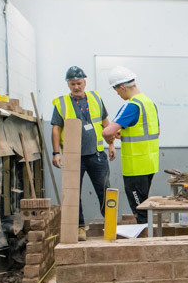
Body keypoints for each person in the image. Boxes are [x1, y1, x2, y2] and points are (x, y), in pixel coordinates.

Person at [50, 66, 114, 242]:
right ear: (68, 84)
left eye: (79, 83)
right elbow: (56, 129)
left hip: (97, 154)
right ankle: (79, 228)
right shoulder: (61, 103)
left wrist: (112, 145)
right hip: (73, 156)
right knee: (73, 193)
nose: (76, 87)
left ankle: (110, 225)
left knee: (105, 190)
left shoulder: (95, 98)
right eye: (72, 84)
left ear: (84, 82)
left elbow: (105, 123)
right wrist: (56, 153)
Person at [102, 66, 160, 223]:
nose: (118, 94)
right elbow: (154, 132)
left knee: (139, 210)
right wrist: (124, 134)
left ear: (122, 87)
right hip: (149, 164)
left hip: (135, 166)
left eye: (117, 91)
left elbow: (107, 132)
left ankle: (145, 243)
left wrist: (110, 140)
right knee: (144, 205)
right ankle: (147, 236)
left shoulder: (132, 106)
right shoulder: (149, 103)